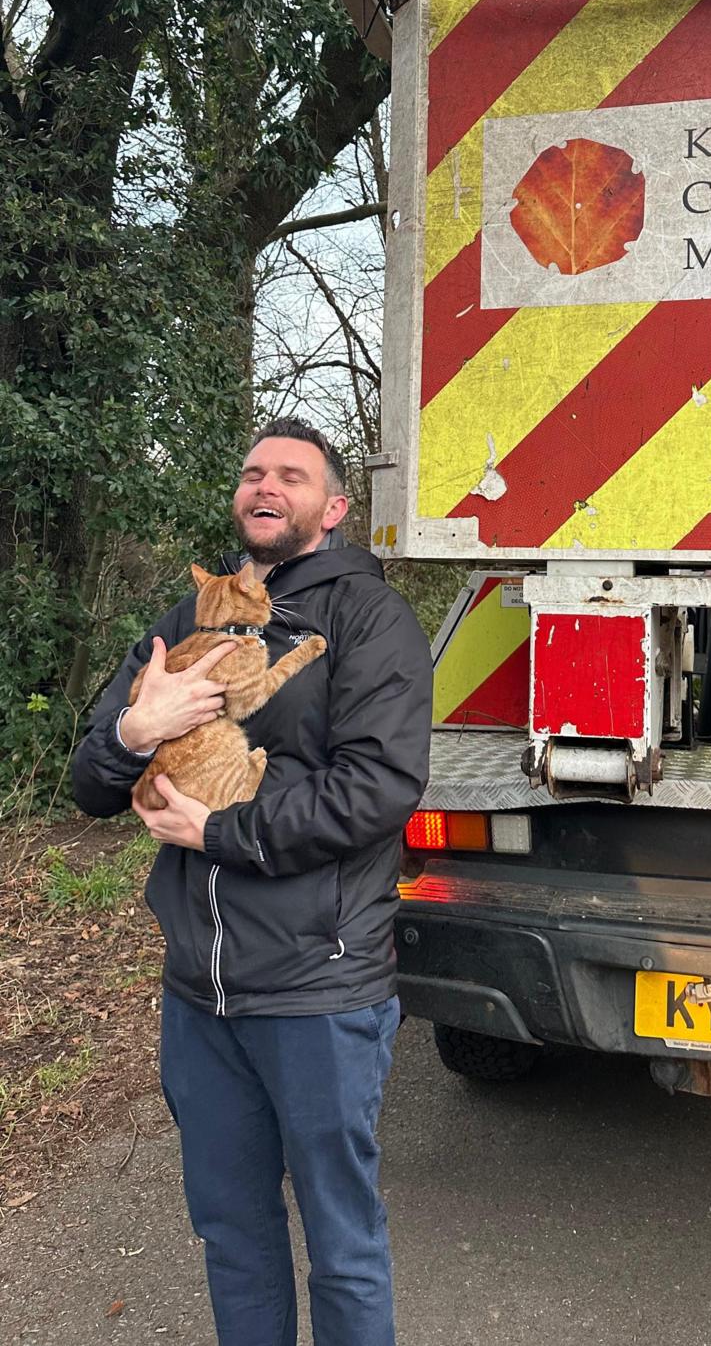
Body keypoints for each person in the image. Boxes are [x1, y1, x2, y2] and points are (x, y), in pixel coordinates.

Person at [71, 419, 433, 1346]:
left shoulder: (368, 617)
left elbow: (378, 787)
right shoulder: (184, 623)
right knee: (232, 1235)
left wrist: (222, 829)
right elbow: (89, 780)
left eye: (291, 475)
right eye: (252, 473)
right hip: (200, 994)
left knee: (342, 1246)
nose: (264, 487)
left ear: (334, 506)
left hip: (319, 986)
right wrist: (133, 732)